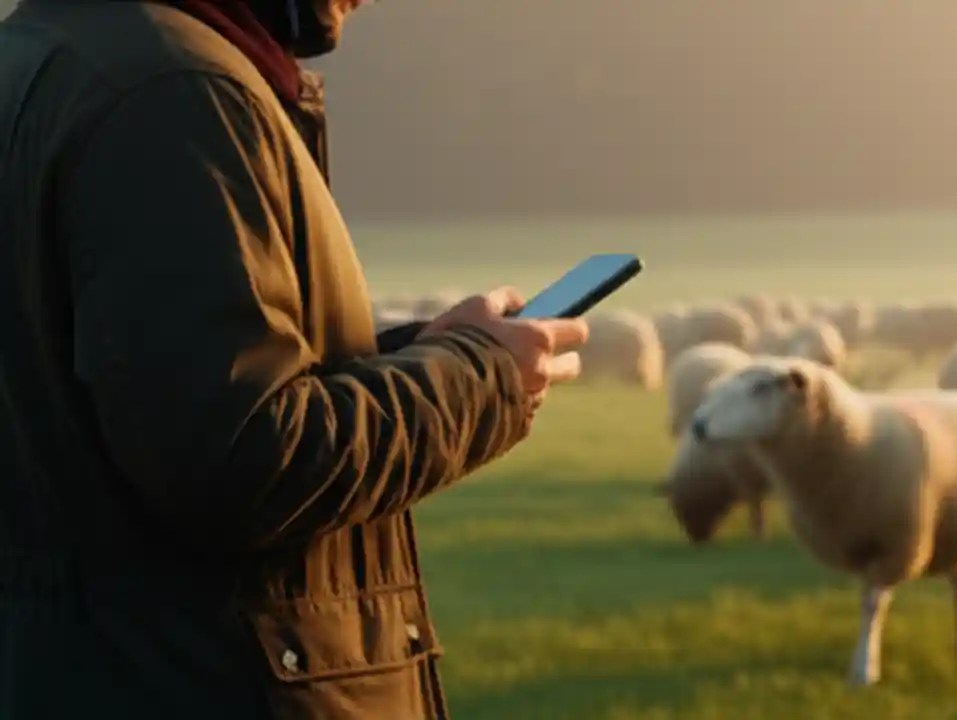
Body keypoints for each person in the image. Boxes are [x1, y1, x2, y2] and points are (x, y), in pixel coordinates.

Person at [0, 0, 589, 716]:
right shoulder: (174, 95)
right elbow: (245, 457)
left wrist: (422, 354)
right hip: (212, 685)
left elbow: (136, 384)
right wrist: (479, 378)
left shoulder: (44, 57)